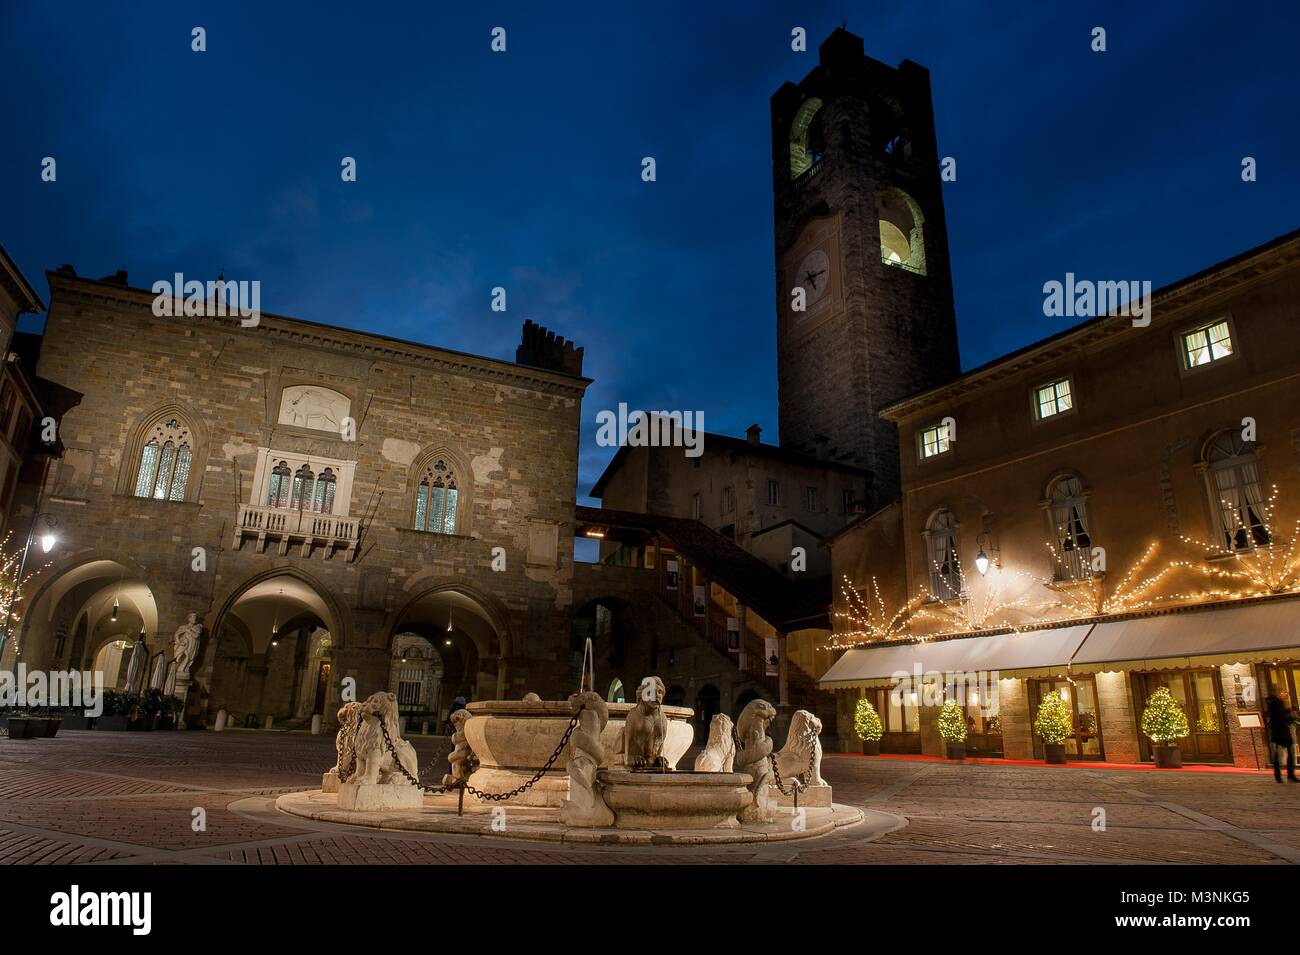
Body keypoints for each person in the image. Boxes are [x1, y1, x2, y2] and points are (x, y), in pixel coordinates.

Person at [1265, 691, 1297, 782]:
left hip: (1277, 732)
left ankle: (1278, 775)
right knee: (1289, 753)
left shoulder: (1271, 706)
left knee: (1278, 755)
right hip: (1282, 732)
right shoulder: (1278, 704)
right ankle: (1290, 775)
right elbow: (1283, 717)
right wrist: (1290, 714)